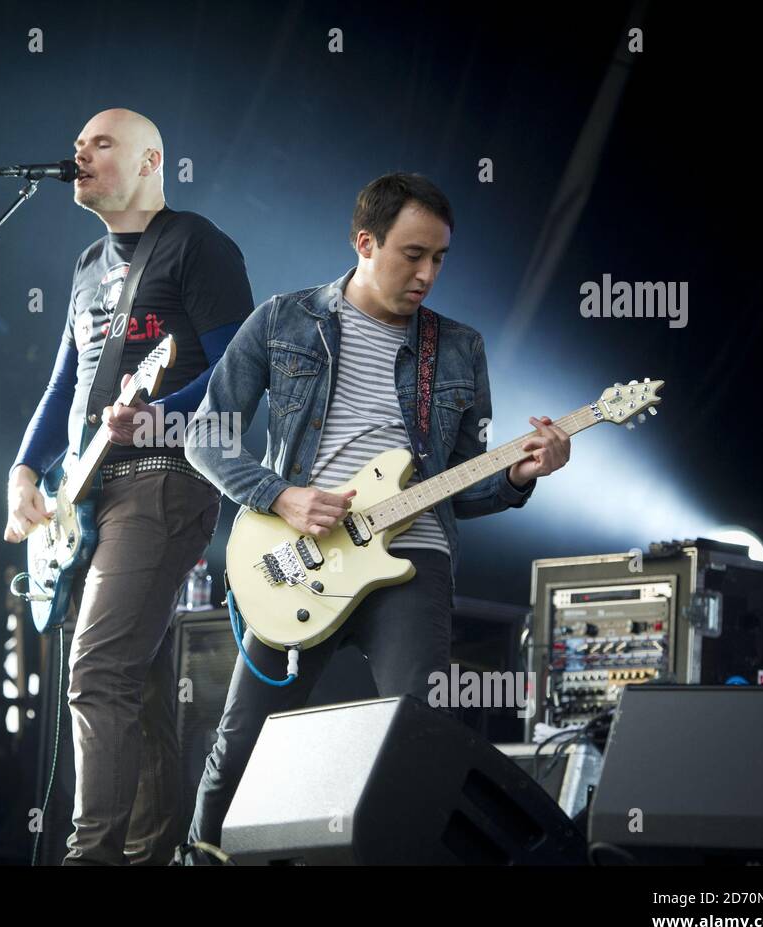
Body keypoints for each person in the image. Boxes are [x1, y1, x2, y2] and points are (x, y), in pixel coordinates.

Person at [182, 171, 572, 855]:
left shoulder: (459, 347)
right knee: (241, 743)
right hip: (298, 559)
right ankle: (199, 858)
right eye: (412, 254)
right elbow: (204, 437)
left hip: (415, 559)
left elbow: (459, 485)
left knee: (415, 747)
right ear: (365, 241)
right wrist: (279, 495)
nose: (427, 273)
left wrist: (515, 475)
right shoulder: (283, 319)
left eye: (440, 259)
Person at [5, 108, 253, 864]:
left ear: (151, 162)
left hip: (163, 482)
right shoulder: (86, 266)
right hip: (84, 497)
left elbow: (241, 374)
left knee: (97, 671)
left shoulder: (197, 245)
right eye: (76, 143)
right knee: (137, 695)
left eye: (100, 143)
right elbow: (63, 386)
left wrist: (156, 417)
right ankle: (150, 856)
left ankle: (90, 856)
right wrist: (22, 468)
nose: (78, 153)